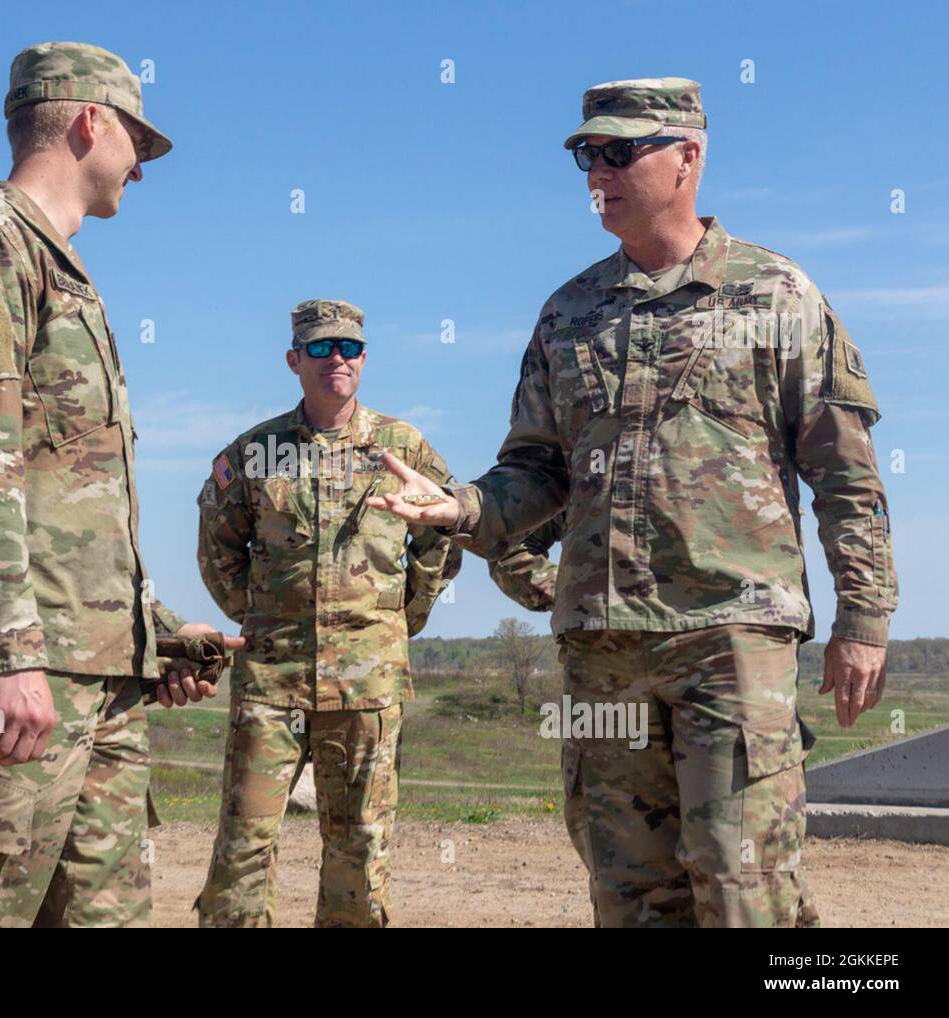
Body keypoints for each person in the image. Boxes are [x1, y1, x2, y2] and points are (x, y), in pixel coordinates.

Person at [369, 78, 897, 927]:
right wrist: (463, 506)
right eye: (587, 154)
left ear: (689, 155)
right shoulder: (570, 313)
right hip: (602, 650)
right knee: (631, 896)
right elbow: (537, 471)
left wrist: (864, 618)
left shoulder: (777, 296)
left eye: (620, 151)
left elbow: (845, 474)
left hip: (729, 636)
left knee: (744, 888)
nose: (597, 172)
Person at [0, 41, 240, 928]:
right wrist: (9, 655)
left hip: (89, 678)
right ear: (90, 121)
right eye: (137, 146)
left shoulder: (66, 274)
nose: (141, 171)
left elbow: (63, 499)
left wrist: (148, 637)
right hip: (1, 683)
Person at [194, 299, 460, 927]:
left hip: (368, 685)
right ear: (294, 360)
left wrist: (397, 623)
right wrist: (261, 621)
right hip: (271, 683)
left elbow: (440, 545)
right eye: (318, 348)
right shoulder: (256, 452)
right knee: (244, 847)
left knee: (359, 848)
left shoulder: (404, 448)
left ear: (364, 360)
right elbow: (217, 547)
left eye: (347, 347)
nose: (334, 358)